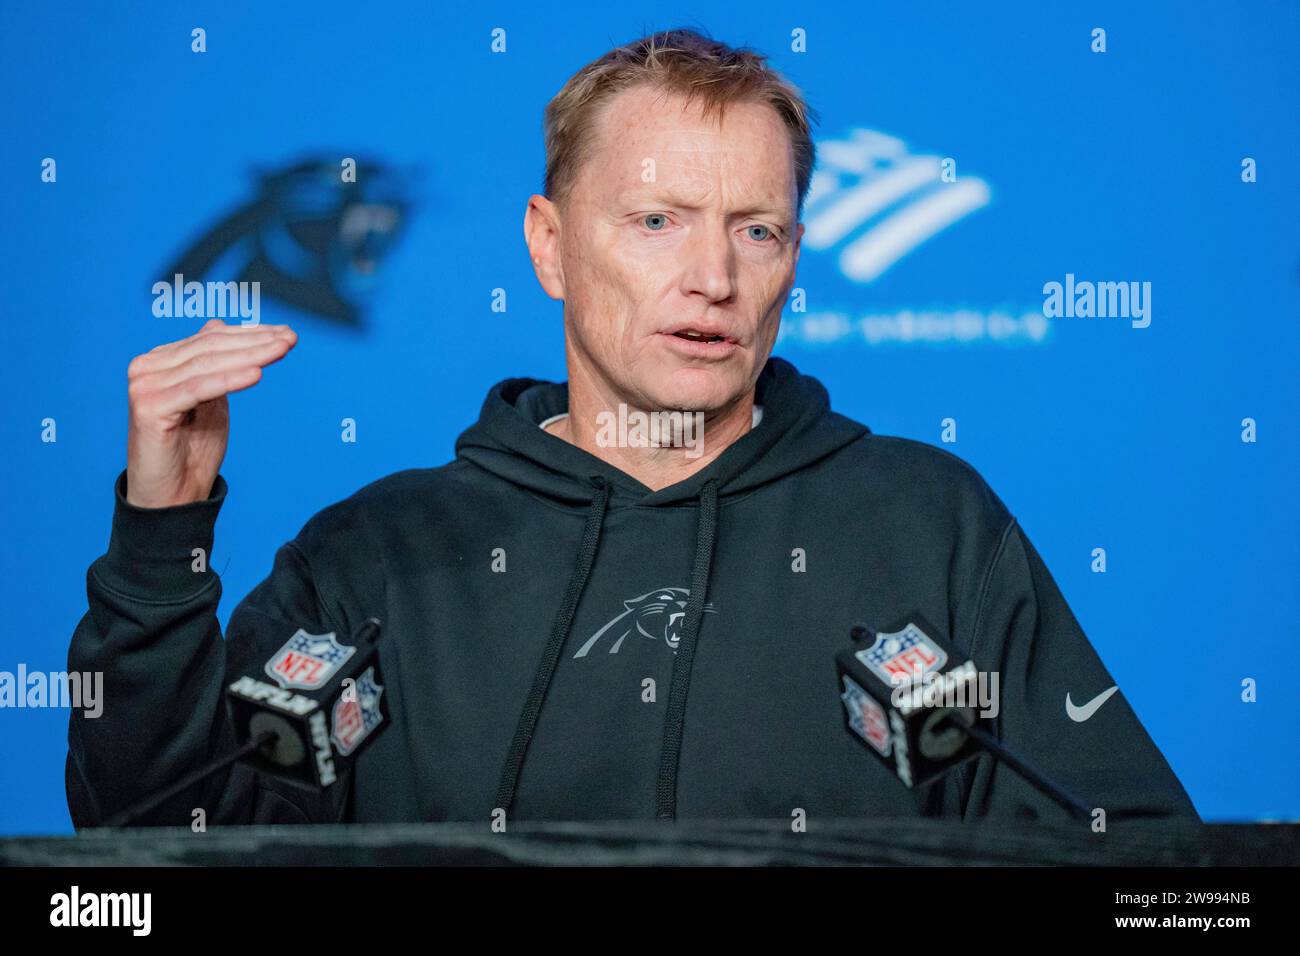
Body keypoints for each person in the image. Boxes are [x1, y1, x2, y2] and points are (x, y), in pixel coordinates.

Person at [66, 28, 1197, 828]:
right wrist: (161, 541)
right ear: (549, 247)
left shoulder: (927, 523)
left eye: (756, 230)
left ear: (794, 258)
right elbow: (156, 850)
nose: (711, 276)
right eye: (657, 221)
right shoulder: (378, 553)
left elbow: (1144, 867)